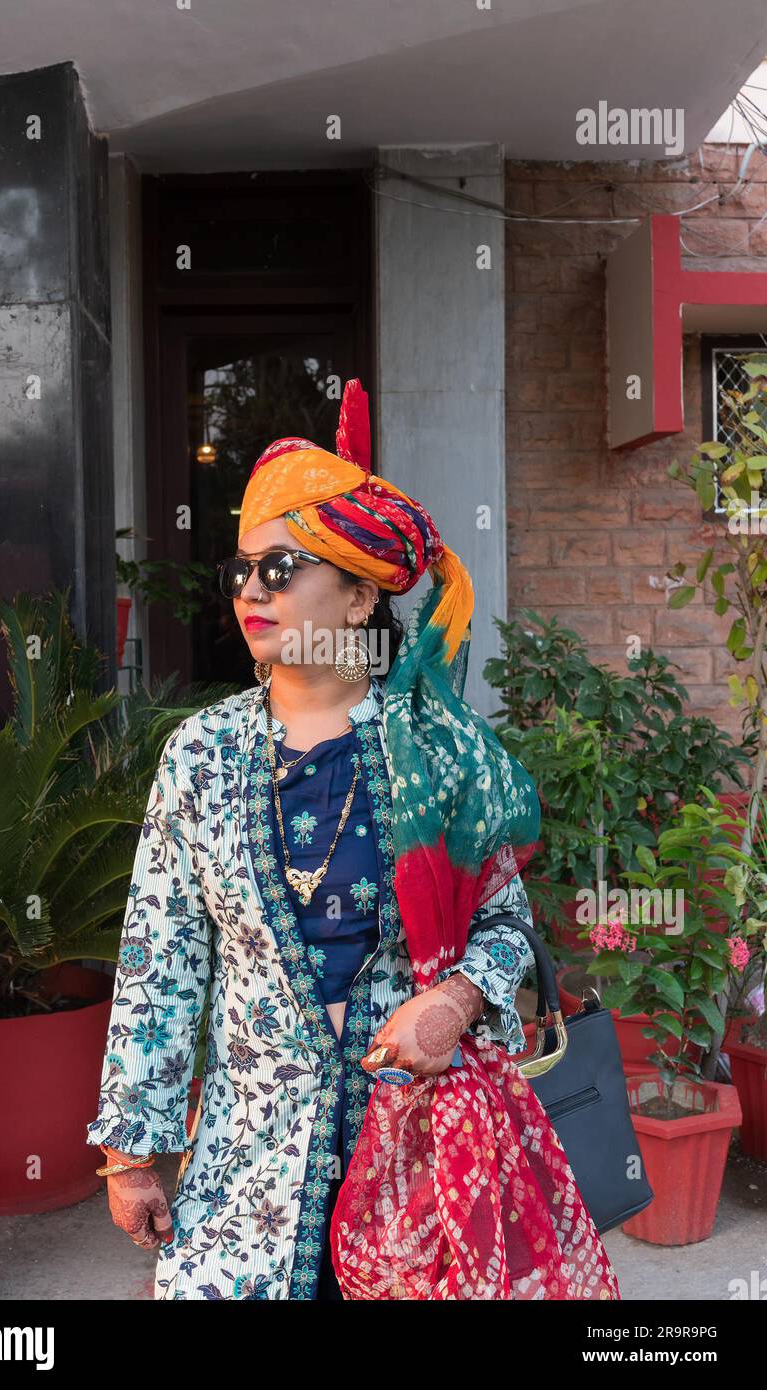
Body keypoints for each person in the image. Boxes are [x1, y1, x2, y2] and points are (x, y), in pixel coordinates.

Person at [86, 381, 620, 1301]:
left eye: (281, 570)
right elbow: (158, 961)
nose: (252, 592)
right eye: (243, 570)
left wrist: (453, 1002)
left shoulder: (439, 750)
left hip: (420, 1155)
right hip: (250, 1170)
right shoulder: (200, 757)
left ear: (358, 597)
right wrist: (132, 1152)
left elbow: (504, 926)